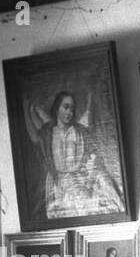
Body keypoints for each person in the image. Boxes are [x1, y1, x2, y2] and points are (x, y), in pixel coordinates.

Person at [24, 90, 123, 223]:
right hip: (59, 182)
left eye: (72, 108)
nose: (69, 112)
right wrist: (28, 111)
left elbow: (91, 156)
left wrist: (88, 178)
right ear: (57, 109)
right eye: (66, 107)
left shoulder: (79, 131)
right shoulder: (49, 132)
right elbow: (36, 137)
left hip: (79, 179)